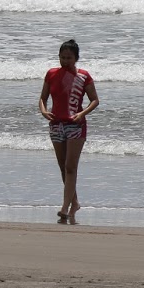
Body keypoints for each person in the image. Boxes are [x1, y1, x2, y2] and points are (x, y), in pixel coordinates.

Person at [38, 38, 100, 222]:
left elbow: (95, 99)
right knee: (62, 166)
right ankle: (75, 203)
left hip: (76, 124)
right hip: (56, 124)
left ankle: (65, 207)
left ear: (76, 58)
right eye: (62, 57)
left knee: (71, 166)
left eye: (69, 58)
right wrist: (43, 111)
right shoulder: (51, 74)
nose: (65, 61)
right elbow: (43, 97)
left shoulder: (83, 76)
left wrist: (82, 113)